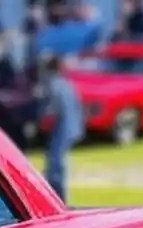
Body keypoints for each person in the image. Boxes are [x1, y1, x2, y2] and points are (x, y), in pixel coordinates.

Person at [41, 54, 84, 202]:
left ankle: (59, 198)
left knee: (56, 164)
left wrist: (42, 121)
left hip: (61, 128)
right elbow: (78, 106)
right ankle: (59, 196)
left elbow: (52, 109)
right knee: (59, 162)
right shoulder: (67, 84)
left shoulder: (53, 84)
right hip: (71, 128)